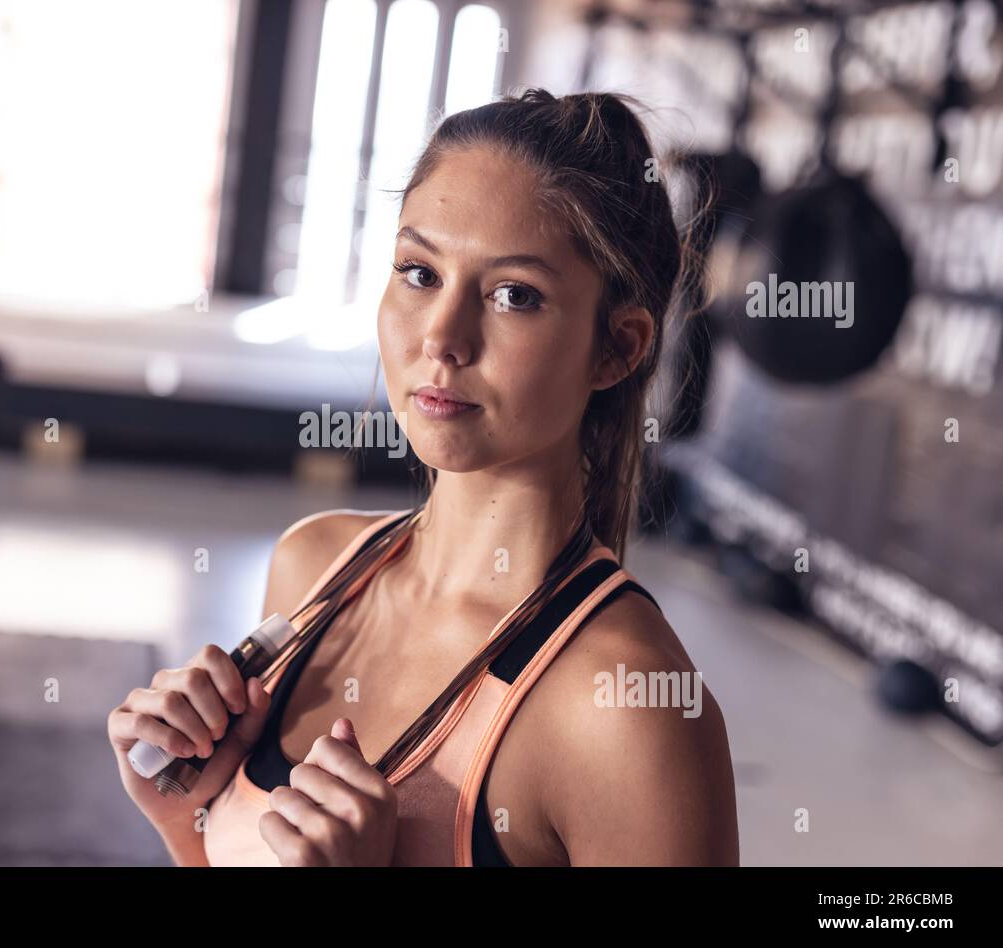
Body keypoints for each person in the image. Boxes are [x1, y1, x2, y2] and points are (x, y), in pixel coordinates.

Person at [109, 89, 738, 866]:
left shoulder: (621, 706)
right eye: (418, 272)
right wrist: (187, 818)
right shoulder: (314, 565)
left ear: (618, 348)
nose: (442, 336)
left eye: (514, 295)